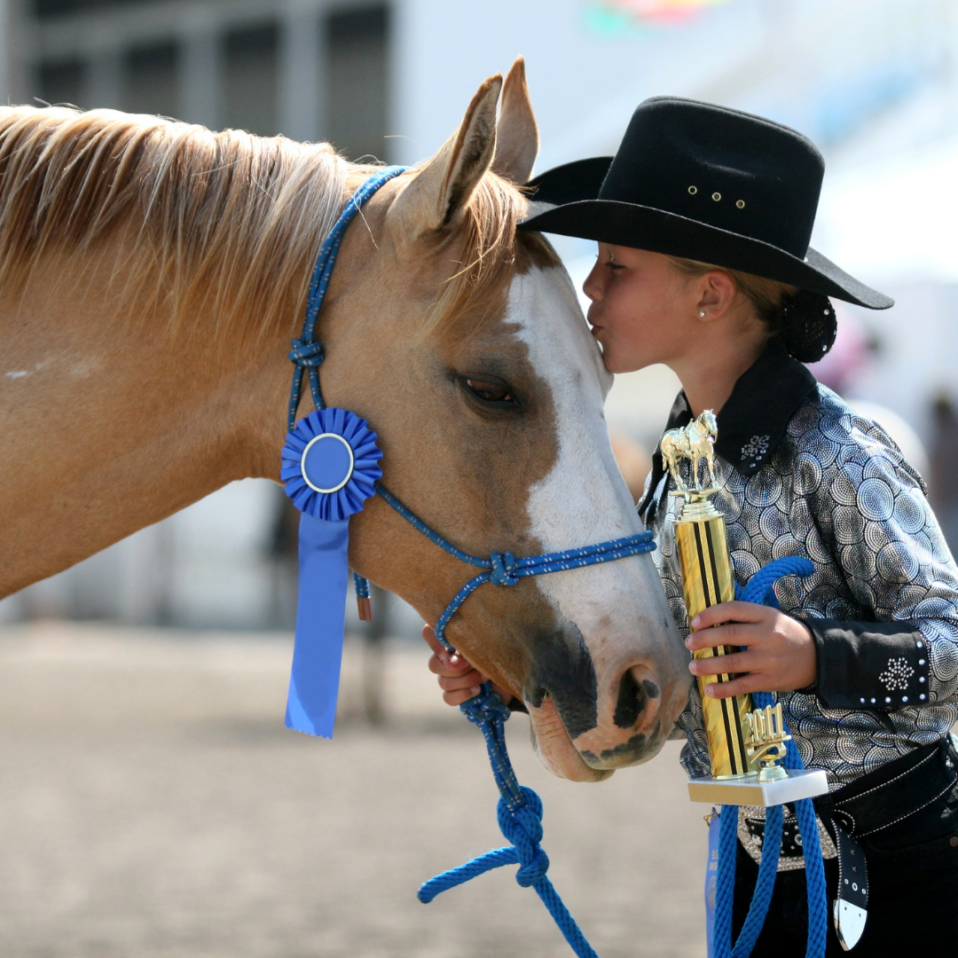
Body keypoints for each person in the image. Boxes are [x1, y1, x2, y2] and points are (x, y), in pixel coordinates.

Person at [423, 98, 958, 956]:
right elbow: (673, 678)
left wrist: (815, 655)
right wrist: (516, 684)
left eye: (617, 267)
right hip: (751, 864)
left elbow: (951, 648)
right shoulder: (677, 466)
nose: (591, 288)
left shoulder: (842, 455)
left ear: (710, 293)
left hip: (909, 868)